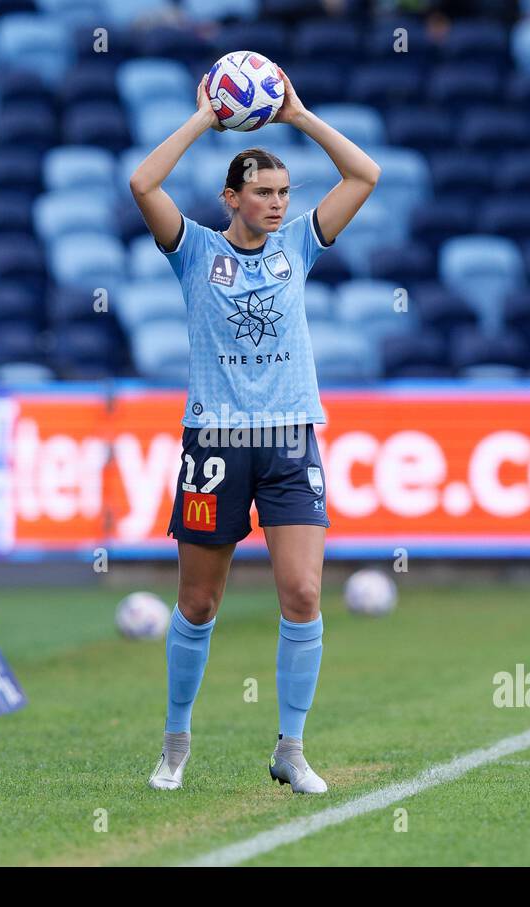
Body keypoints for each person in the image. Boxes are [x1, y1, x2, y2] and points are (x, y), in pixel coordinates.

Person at [129, 68, 380, 793]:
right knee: (199, 602)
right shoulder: (195, 253)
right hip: (215, 444)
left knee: (302, 594)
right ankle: (175, 744)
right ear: (231, 198)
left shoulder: (298, 245)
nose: (277, 204)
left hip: (291, 438)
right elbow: (144, 185)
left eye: (283, 194)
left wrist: (299, 115)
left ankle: (291, 748)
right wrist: (203, 119)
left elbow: (365, 173)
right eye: (262, 193)